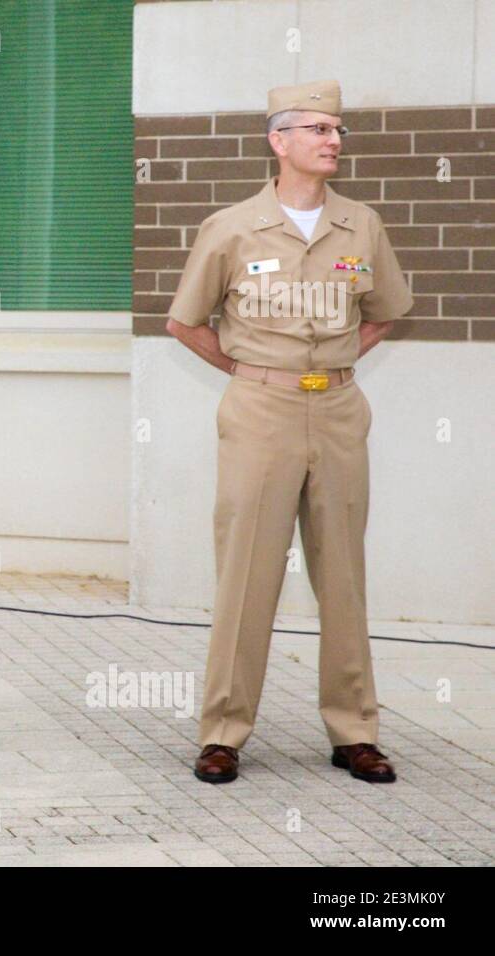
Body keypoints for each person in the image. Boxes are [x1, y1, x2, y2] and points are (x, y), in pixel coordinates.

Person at [165, 79, 414, 785]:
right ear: (279, 141)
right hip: (260, 415)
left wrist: (329, 367)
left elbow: (385, 312)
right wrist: (256, 371)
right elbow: (184, 323)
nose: (333, 140)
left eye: (338, 130)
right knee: (247, 573)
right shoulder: (232, 227)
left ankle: (354, 732)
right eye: (318, 129)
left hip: (337, 413)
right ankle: (223, 732)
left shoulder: (360, 225)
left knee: (343, 573)